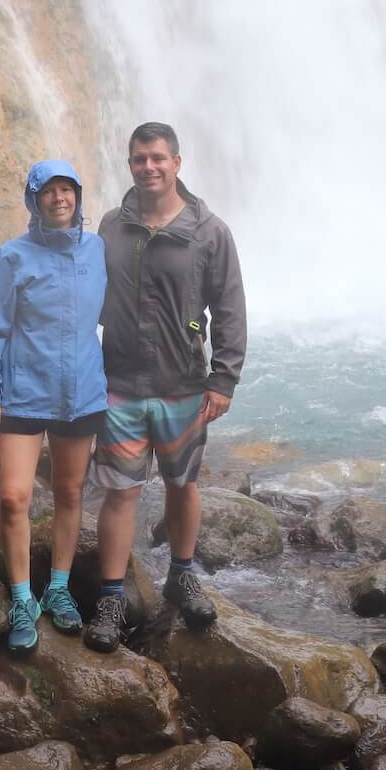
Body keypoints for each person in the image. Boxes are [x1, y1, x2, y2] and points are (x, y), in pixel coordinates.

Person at [84, 121, 246, 652]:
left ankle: (181, 574)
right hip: (120, 382)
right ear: (130, 164)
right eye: (139, 159)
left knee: (182, 483)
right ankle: (112, 597)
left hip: (183, 382)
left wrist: (223, 378)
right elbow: (88, 297)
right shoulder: (112, 226)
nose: (148, 167)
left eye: (157, 158)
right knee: (120, 491)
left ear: (177, 162)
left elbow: (229, 307)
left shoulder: (209, 231)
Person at [0, 160, 107, 654]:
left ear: (78, 196)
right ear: (34, 200)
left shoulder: (98, 250)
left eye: (66, 189)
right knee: (13, 497)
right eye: (48, 191)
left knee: (70, 492)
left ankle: (59, 589)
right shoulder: (12, 257)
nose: (59, 198)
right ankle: (22, 599)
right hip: (23, 392)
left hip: (80, 392)